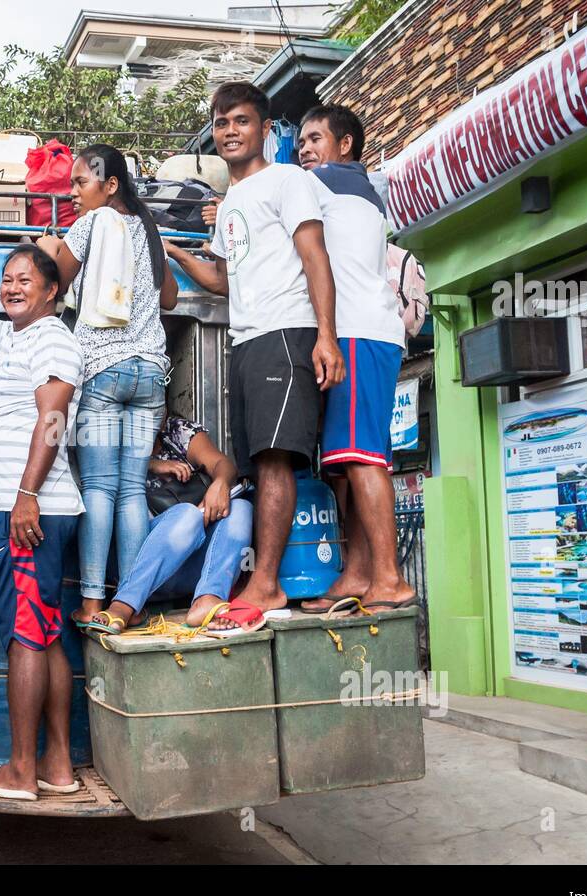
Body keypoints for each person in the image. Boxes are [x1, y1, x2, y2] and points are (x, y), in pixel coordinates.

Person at [165, 82, 343, 631]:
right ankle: (265, 577)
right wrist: (175, 252)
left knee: (274, 459)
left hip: (286, 332)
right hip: (246, 341)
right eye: (221, 124)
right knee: (256, 461)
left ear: (265, 129)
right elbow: (223, 279)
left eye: (240, 121)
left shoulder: (289, 180)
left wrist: (326, 336)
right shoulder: (232, 203)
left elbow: (315, 257)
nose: (230, 131)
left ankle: (265, 583)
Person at [0, 234, 85, 801]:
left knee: (25, 637)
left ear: (53, 291)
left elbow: (52, 419)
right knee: (46, 635)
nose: (11, 287)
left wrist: (26, 493)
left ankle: (20, 771)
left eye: (25, 280)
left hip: (27, 507)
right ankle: (56, 765)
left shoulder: (53, 337)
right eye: (6, 280)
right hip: (26, 504)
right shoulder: (13, 336)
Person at [36, 144, 179, 624]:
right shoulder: (148, 228)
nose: (74, 192)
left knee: (98, 487)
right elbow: (171, 297)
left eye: (81, 183)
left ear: (110, 185)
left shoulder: (94, 224)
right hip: (150, 375)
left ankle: (94, 602)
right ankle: (132, 603)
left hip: (103, 371)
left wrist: (46, 248)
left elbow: (54, 280)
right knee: (132, 489)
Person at [290, 105, 415, 613]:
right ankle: (360, 573)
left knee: (363, 458)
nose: (304, 149)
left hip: (358, 333)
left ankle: (389, 577)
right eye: (300, 141)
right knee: (354, 460)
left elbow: (271, 189)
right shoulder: (348, 188)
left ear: (344, 146)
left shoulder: (332, 179)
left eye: (315, 137)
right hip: (363, 334)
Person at [85, 415, 252, 634]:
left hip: (187, 569)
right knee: (187, 515)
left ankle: (208, 598)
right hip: (132, 569)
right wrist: (151, 464)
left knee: (241, 509)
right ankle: (124, 605)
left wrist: (220, 482)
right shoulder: (106, 434)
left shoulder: (176, 431)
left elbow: (222, 463)